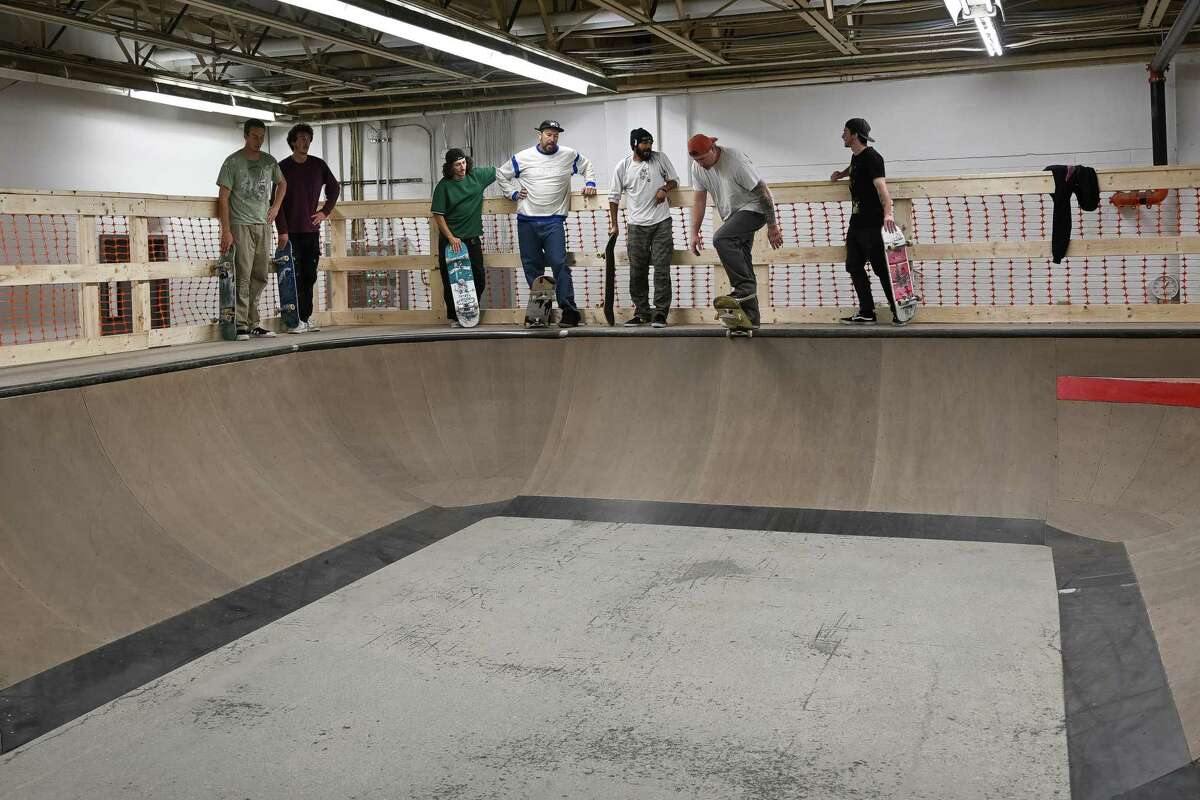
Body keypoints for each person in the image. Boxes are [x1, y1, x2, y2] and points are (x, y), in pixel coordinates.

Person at [496, 120, 597, 327]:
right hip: (527, 221)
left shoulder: (568, 155)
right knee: (532, 268)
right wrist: (512, 193)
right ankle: (541, 314)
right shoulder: (523, 157)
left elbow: (587, 165)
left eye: (556, 135)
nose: (552, 139)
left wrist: (590, 183)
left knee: (560, 264)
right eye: (549, 134)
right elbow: (501, 174)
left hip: (554, 221)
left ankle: (569, 311)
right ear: (539, 135)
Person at [686, 133, 783, 328]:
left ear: (713, 149)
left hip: (756, 209)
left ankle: (743, 288)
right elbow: (699, 200)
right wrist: (694, 232)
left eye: (703, 159)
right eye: (697, 161)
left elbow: (763, 193)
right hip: (734, 216)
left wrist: (772, 226)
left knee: (722, 239)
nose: (701, 164)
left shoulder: (736, 162)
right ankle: (751, 318)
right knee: (743, 261)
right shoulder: (698, 167)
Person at [218, 118, 287, 340]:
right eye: (255, 136)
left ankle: (254, 322)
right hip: (241, 224)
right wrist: (226, 230)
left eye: (262, 137)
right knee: (243, 274)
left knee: (260, 274)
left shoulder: (269, 161)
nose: (258, 140)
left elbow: (283, 184)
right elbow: (223, 197)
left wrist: (275, 206)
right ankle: (240, 324)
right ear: (246, 136)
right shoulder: (232, 162)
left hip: (263, 224)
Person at [830, 117, 900, 325]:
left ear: (854, 135)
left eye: (845, 132)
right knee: (853, 266)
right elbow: (854, 168)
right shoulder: (856, 157)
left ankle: (898, 311)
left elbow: (882, 190)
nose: (842, 135)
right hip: (856, 224)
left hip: (873, 224)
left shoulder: (873, 158)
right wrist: (841, 174)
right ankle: (867, 312)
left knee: (880, 269)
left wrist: (888, 213)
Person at [608, 128, 679, 328]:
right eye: (644, 143)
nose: (648, 147)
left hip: (661, 223)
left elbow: (674, 180)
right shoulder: (623, 166)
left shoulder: (659, 159)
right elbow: (613, 197)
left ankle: (660, 314)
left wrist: (664, 188)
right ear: (634, 144)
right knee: (637, 271)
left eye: (650, 142)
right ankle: (642, 313)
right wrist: (614, 224)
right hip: (636, 226)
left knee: (661, 270)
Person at [275, 123, 339, 333]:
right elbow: (275, 201)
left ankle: (305, 317)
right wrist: (281, 230)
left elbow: (334, 188)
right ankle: (293, 320)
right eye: (301, 138)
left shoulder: (318, 166)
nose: (306, 142)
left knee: (309, 276)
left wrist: (324, 212)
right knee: (293, 276)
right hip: (290, 233)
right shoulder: (283, 167)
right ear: (293, 142)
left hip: (311, 231)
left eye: (308, 138)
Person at [431, 148, 496, 327]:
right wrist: (451, 237)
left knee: (478, 278)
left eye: (464, 163)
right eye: (458, 164)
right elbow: (437, 215)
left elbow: (502, 171)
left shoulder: (477, 176)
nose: (462, 167)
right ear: (450, 167)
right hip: (452, 242)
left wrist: (514, 191)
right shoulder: (443, 186)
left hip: (472, 239)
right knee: (452, 280)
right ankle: (454, 316)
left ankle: (469, 310)